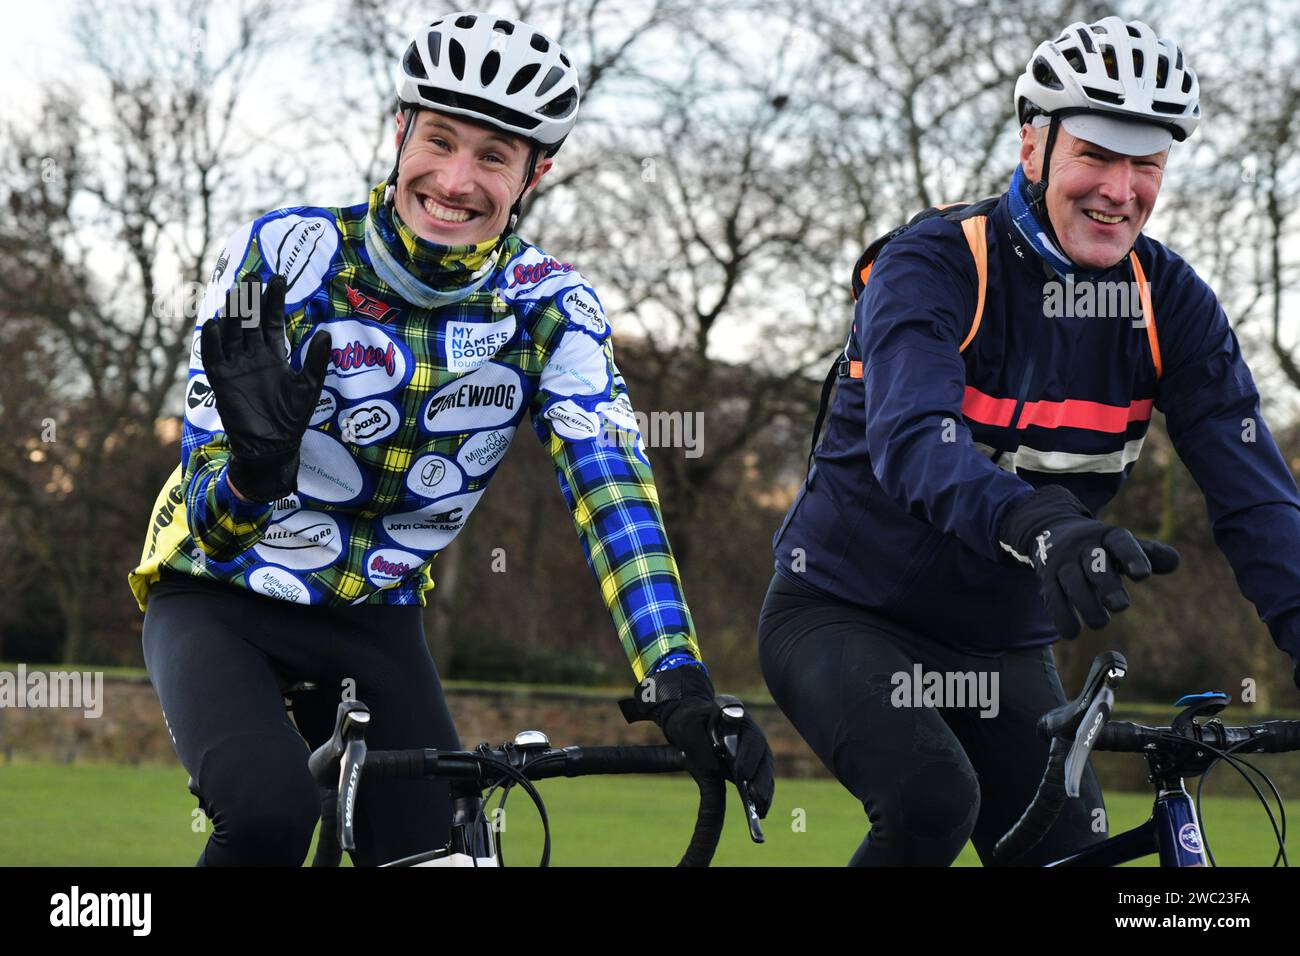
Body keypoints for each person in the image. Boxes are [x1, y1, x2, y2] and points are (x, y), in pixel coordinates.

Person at [128, 11, 773, 866]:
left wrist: (677, 676)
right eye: (439, 139)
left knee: (444, 859)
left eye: (494, 156)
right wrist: (252, 473)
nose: (457, 179)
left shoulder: (553, 307)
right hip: (220, 593)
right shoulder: (283, 252)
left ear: (535, 174)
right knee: (272, 812)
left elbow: (611, 488)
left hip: (376, 619)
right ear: (400, 132)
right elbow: (207, 515)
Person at [760, 16, 1300, 866]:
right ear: (1032, 144)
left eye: (1146, 164)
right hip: (844, 613)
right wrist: (1040, 523)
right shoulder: (935, 263)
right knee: (931, 799)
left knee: (1071, 850)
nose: (1120, 189)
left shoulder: (1170, 303)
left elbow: (1254, 491)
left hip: (1001, 643)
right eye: (1095, 155)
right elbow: (915, 441)